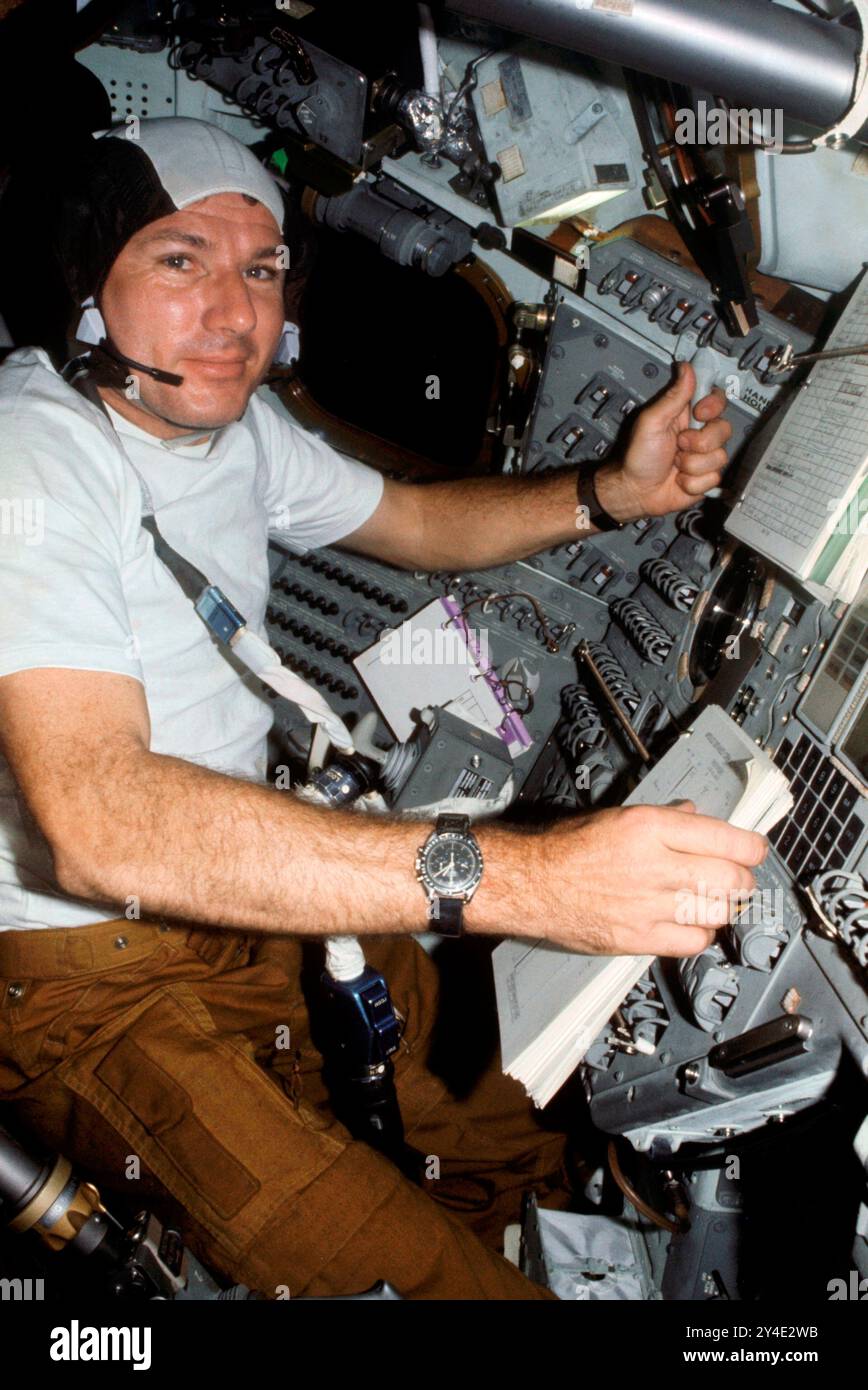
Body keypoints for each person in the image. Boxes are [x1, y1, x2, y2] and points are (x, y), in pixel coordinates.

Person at [0, 117, 766, 1299]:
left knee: (515, 1130)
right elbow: (98, 825)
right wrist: (527, 881)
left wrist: (608, 494)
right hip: (82, 973)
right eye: (179, 259)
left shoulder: (238, 428)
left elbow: (411, 525)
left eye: (259, 270)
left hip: (238, 895)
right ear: (83, 282)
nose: (232, 311)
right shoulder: (30, 457)